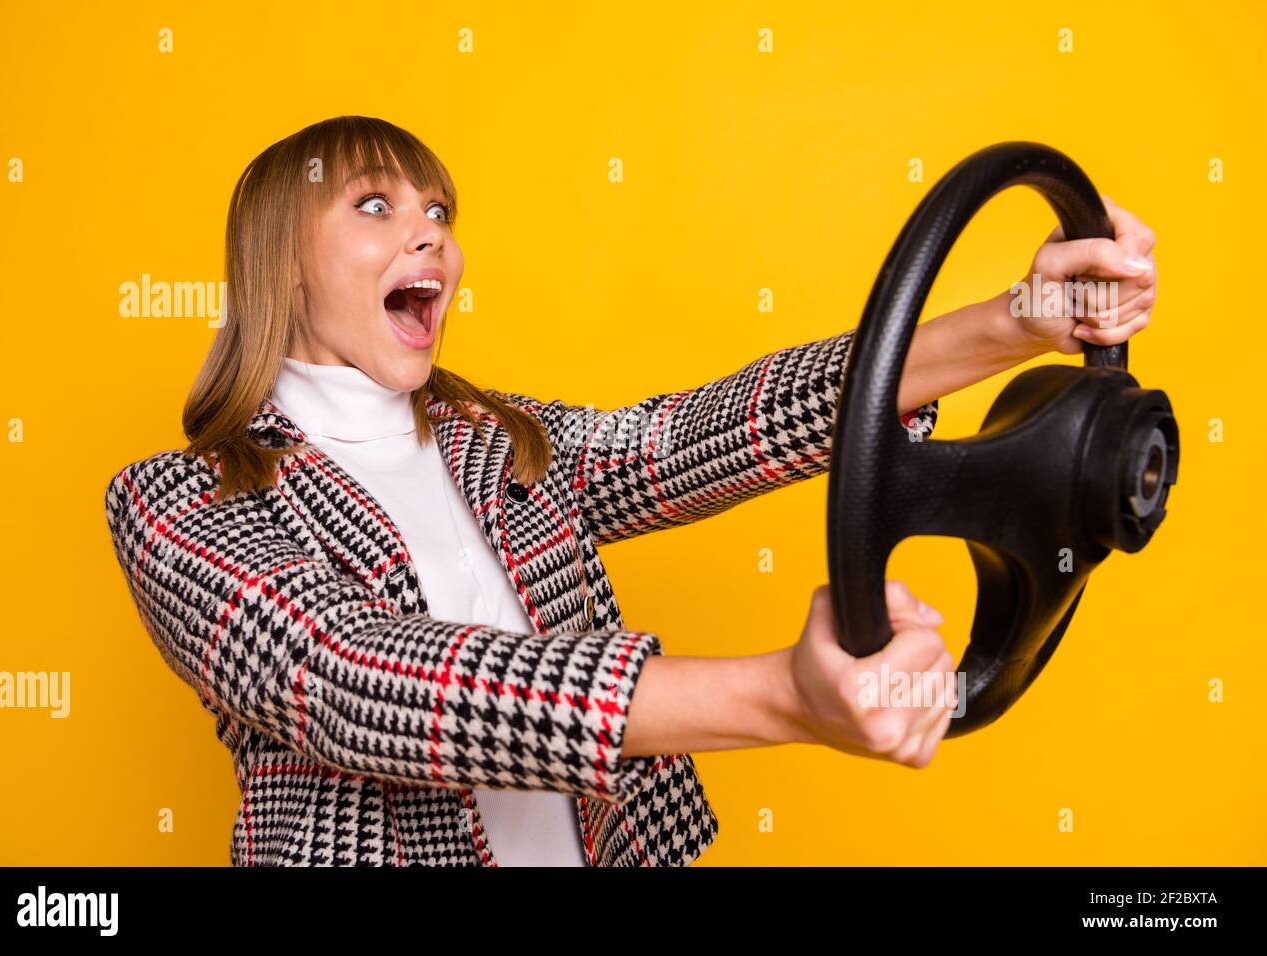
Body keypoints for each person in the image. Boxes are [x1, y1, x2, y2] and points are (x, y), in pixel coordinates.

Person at [103, 115, 1158, 866]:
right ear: (277, 265)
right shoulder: (175, 501)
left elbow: (689, 438)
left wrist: (1014, 322)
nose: (433, 234)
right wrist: (779, 694)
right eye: (376, 205)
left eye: (438, 209)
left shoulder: (498, 441)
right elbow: (350, 675)